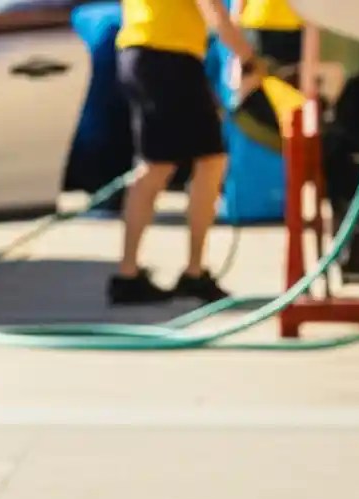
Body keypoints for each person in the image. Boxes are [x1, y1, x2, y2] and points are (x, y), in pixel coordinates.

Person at [109, 0, 267, 305]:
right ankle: (136, 276)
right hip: (166, 58)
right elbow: (212, 9)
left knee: (198, 161)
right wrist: (249, 59)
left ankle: (169, 272)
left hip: (148, 55)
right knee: (166, 165)